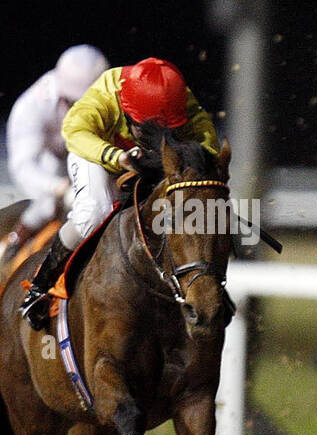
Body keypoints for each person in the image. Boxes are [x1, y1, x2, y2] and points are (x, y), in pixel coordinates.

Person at [20, 57, 220, 330]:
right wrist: (117, 157)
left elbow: (208, 144)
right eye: (145, 129)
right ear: (126, 110)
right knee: (93, 212)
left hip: (148, 161)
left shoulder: (180, 99)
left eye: (169, 130)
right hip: (95, 153)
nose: (157, 136)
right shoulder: (106, 93)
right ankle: (40, 285)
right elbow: (73, 131)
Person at [2, 45, 109, 261]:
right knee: (48, 202)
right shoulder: (31, 109)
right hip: (43, 163)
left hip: (74, 153)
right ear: (64, 96)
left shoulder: (81, 89)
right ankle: (10, 247)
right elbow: (24, 166)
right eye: (77, 104)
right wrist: (57, 187)